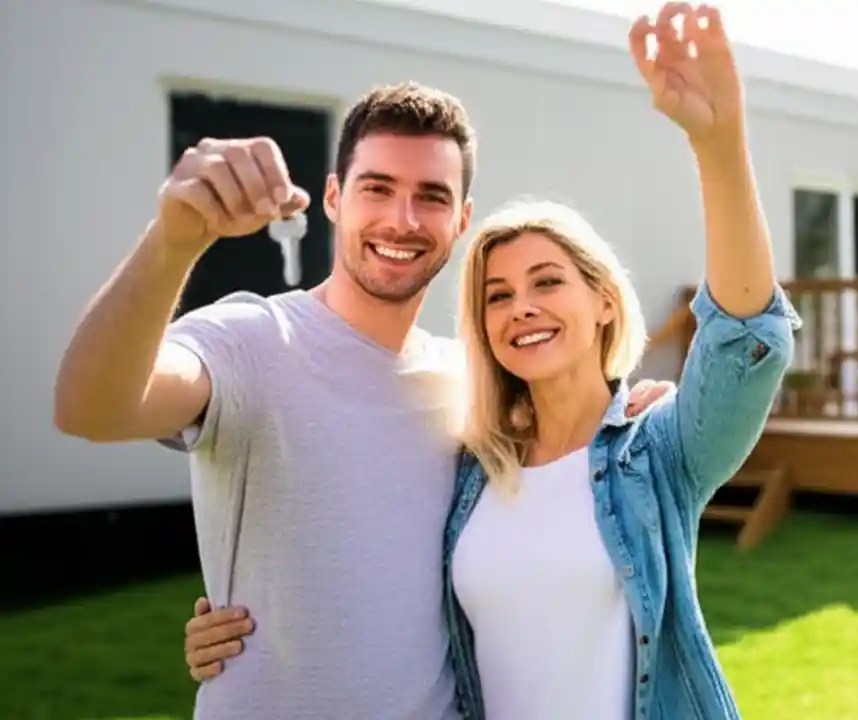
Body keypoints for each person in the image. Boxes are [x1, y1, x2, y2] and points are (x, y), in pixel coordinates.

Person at [184, 3, 800, 718]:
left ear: (604, 301)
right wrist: (233, 626)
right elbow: (387, 597)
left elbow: (745, 342)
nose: (521, 308)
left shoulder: (658, 453)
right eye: (497, 294)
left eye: (547, 282)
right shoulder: (473, 461)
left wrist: (717, 144)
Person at [52, 72, 671, 720]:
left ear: (461, 220)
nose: (402, 220)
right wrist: (174, 241)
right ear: (333, 198)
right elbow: (90, 408)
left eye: (431, 196)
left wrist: (627, 411)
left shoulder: (470, 382)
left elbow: (567, 447)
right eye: (378, 188)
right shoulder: (252, 340)